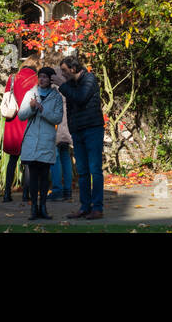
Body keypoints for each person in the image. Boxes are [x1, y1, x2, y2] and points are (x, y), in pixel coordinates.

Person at [58, 55, 104, 219]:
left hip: (93, 129)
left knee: (95, 169)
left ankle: (97, 208)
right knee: (83, 171)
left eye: (64, 71)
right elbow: (71, 107)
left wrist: (61, 85)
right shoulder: (70, 84)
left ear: (73, 68)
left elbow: (81, 98)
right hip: (78, 131)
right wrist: (71, 128)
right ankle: (85, 207)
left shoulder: (89, 79)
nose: (63, 74)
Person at [18, 66, 64, 220]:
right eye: (40, 76)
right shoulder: (30, 94)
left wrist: (43, 110)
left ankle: (43, 207)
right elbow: (21, 115)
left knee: (44, 176)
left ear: (51, 79)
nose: (42, 79)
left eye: (45, 77)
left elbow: (57, 118)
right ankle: (33, 208)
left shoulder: (57, 97)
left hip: (46, 140)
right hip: (31, 139)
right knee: (32, 176)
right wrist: (31, 108)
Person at [1, 58, 39, 203]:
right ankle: (26, 194)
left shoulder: (12, 78)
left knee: (12, 159)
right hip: (29, 122)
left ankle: (6, 193)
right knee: (29, 161)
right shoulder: (36, 80)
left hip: (13, 122)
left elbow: (6, 98)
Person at [49, 64, 73, 202]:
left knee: (55, 157)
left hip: (56, 123)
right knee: (65, 156)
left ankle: (57, 189)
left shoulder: (53, 79)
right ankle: (67, 190)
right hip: (67, 123)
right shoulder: (69, 78)